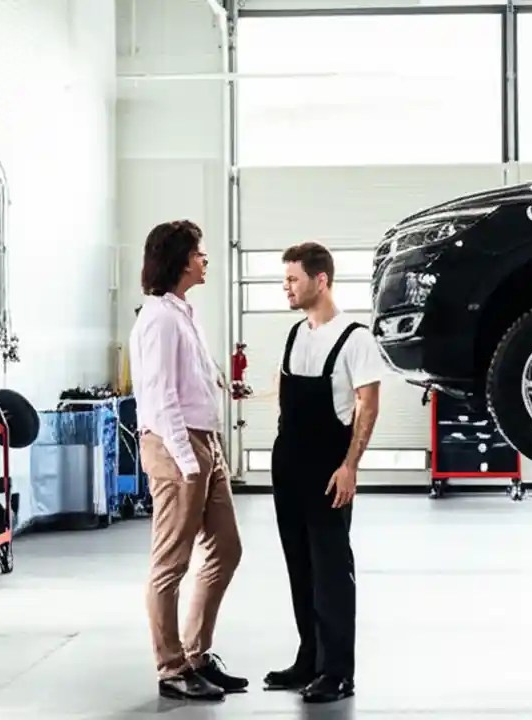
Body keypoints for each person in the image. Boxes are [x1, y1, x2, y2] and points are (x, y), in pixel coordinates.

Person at [263, 241, 385, 704]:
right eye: (285, 279)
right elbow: (284, 394)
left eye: (293, 279)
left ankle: (338, 670)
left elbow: (368, 405)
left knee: (332, 568)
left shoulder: (355, 338)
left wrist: (350, 466)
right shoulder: (295, 335)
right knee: (299, 564)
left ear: (321, 280)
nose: (286, 287)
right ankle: (309, 658)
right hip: (288, 464)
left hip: (329, 468)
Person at [129, 219, 246, 701]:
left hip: (205, 442)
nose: (205, 259)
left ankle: (197, 653)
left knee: (227, 547)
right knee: (170, 562)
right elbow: (159, 398)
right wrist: (186, 459)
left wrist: (222, 387)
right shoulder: (156, 317)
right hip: (176, 445)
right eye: (199, 252)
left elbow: (190, 379)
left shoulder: (182, 312)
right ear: (180, 260)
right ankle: (171, 667)